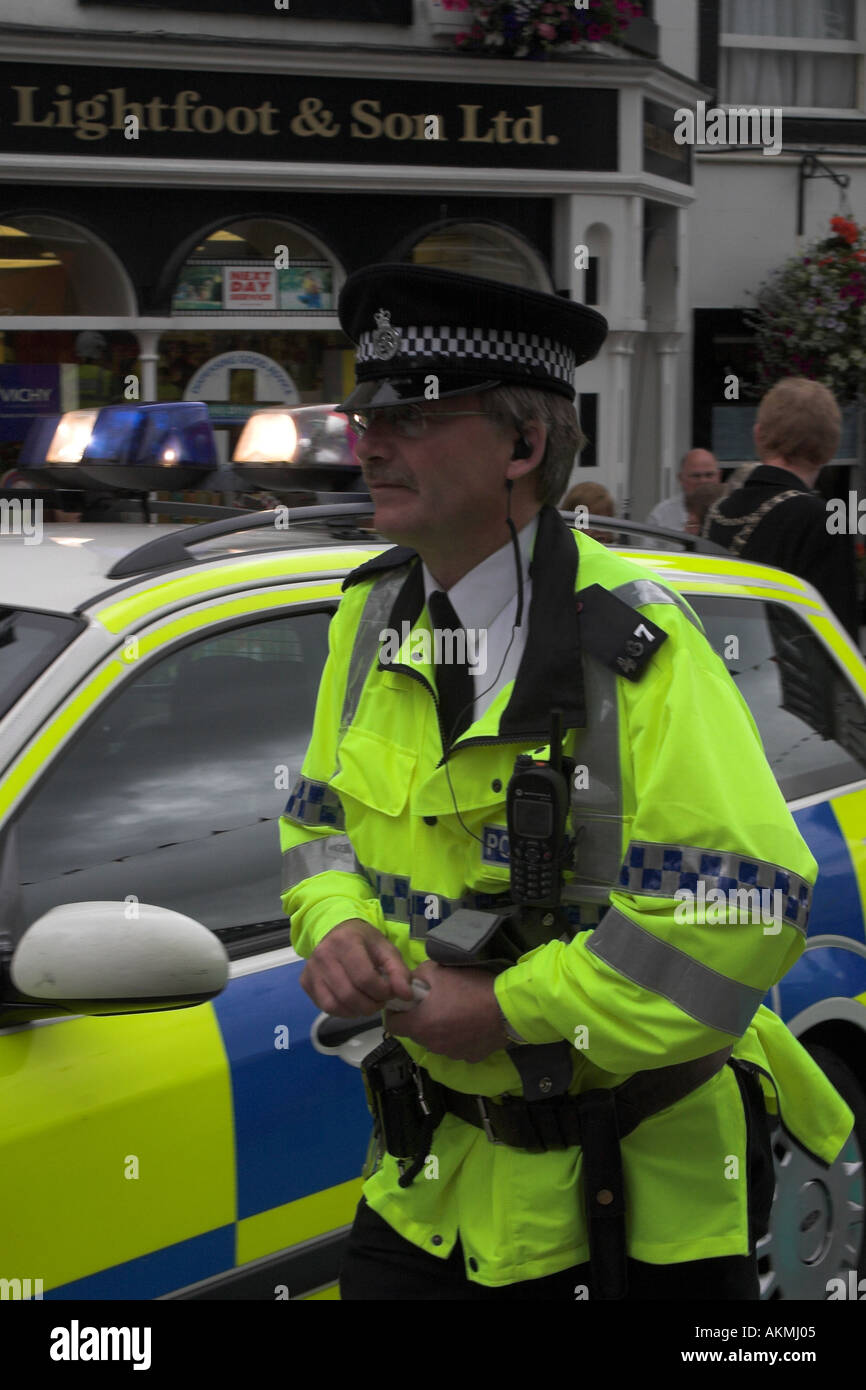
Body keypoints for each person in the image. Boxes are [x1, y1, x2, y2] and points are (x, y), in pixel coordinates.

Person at [279, 263, 852, 1302]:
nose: (369, 439)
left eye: (412, 414)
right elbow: (316, 826)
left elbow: (744, 909)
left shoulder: (637, 645)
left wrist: (507, 1006)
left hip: (627, 1210)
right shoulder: (365, 620)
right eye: (367, 410)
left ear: (523, 446)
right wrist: (332, 927)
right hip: (429, 1183)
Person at [704, 377, 858, 636]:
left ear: (758, 434)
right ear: (832, 448)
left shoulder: (719, 511)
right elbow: (836, 638)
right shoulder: (822, 520)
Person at [646, 448, 720, 532]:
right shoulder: (661, 514)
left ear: (719, 476)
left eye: (709, 475)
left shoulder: (734, 511)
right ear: (681, 478)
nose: (703, 481)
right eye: (696, 476)